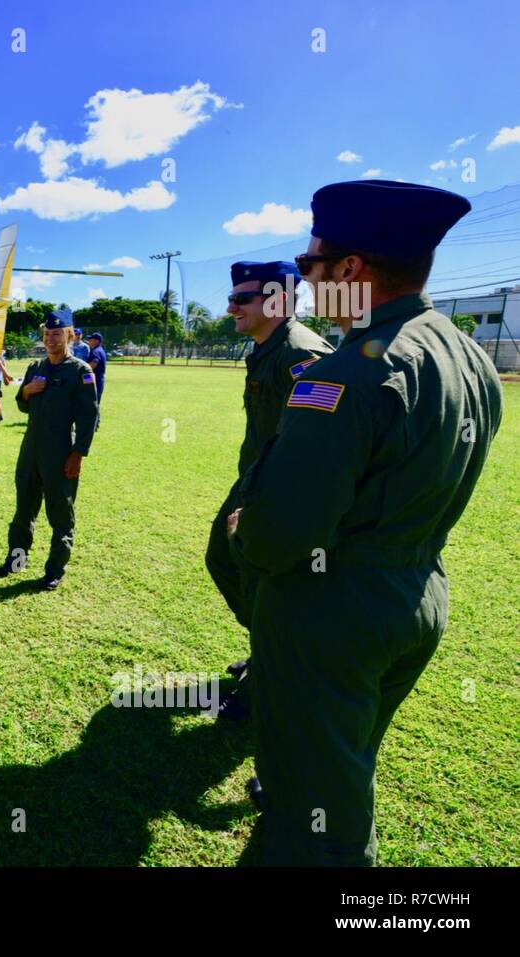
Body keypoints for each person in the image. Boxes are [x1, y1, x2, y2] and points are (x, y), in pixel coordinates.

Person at [229, 180, 503, 866]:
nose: (309, 281)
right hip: (416, 594)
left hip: (332, 614)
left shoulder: (347, 373)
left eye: (313, 263)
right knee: (341, 766)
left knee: (320, 831)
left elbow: (283, 530)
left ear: (351, 270)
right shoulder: (471, 357)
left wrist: (242, 534)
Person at [204, 263, 332, 721]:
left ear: (277, 301)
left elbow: (318, 445)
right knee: (224, 558)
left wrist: (275, 509)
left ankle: (267, 686)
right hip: (254, 481)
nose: (231, 306)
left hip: (281, 492)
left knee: (270, 587)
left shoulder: (302, 355)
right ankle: (268, 653)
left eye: (243, 298)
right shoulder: (264, 348)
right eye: (232, 296)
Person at [0, 312, 99, 591]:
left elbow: (89, 417)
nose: (50, 339)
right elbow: (23, 405)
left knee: (60, 515)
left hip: (61, 452)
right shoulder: (35, 367)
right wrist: (27, 391)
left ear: (68, 335)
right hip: (30, 450)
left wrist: (78, 454)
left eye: (56, 334)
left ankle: (55, 570)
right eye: (46, 335)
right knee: (23, 512)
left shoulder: (80, 371)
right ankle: (17, 561)